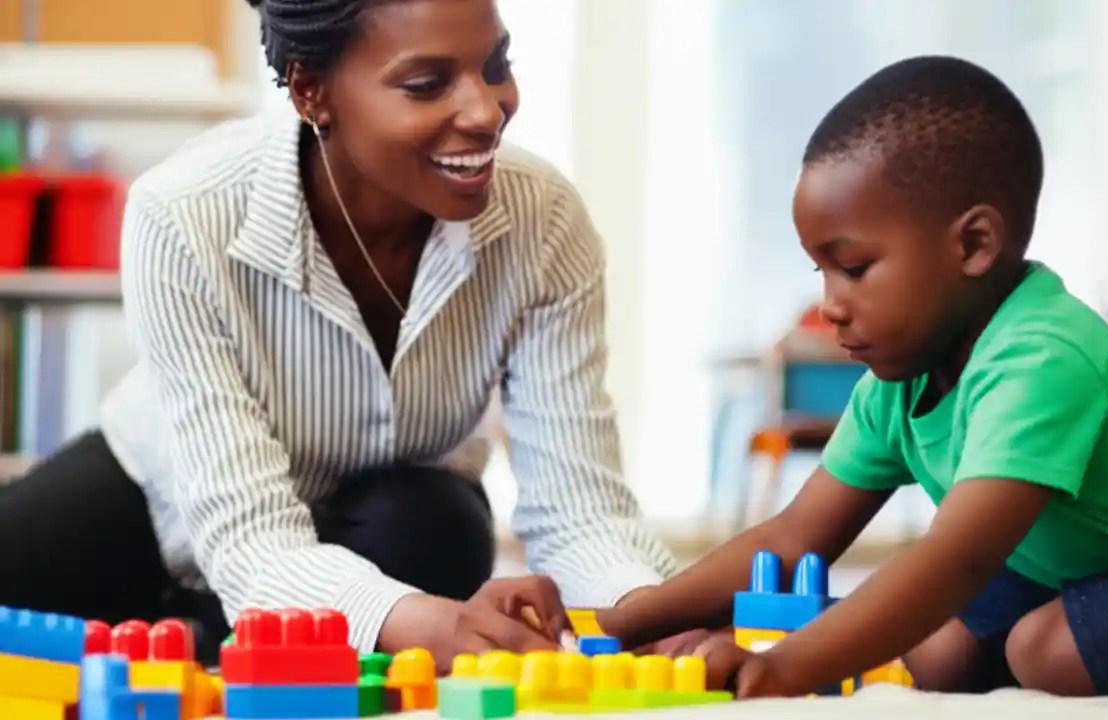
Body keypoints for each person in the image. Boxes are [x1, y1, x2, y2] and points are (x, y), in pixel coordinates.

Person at [0, 0, 677, 665]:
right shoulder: (183, 213)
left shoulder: (544, 220)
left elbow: (580, 509)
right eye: (427, 84)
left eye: (496, 65)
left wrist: (666, 618)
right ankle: (203, 632)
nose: (485, 110)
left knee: (428, 537)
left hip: (391, 523)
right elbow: (250, 539)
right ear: (310, 90)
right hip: (162, 499)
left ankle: (211, 640)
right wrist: (432, 628)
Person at [595, 55, 1108, 697]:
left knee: (1048, 651)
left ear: (974, 245)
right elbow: (792, 536)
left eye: (854, 268)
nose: (830, 303)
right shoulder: (897, 384)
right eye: (821, 271)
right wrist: (628, 620)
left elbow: (957, 559)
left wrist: (781, 670)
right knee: (933, 654)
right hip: (1100, 562)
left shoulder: (1042, 358)